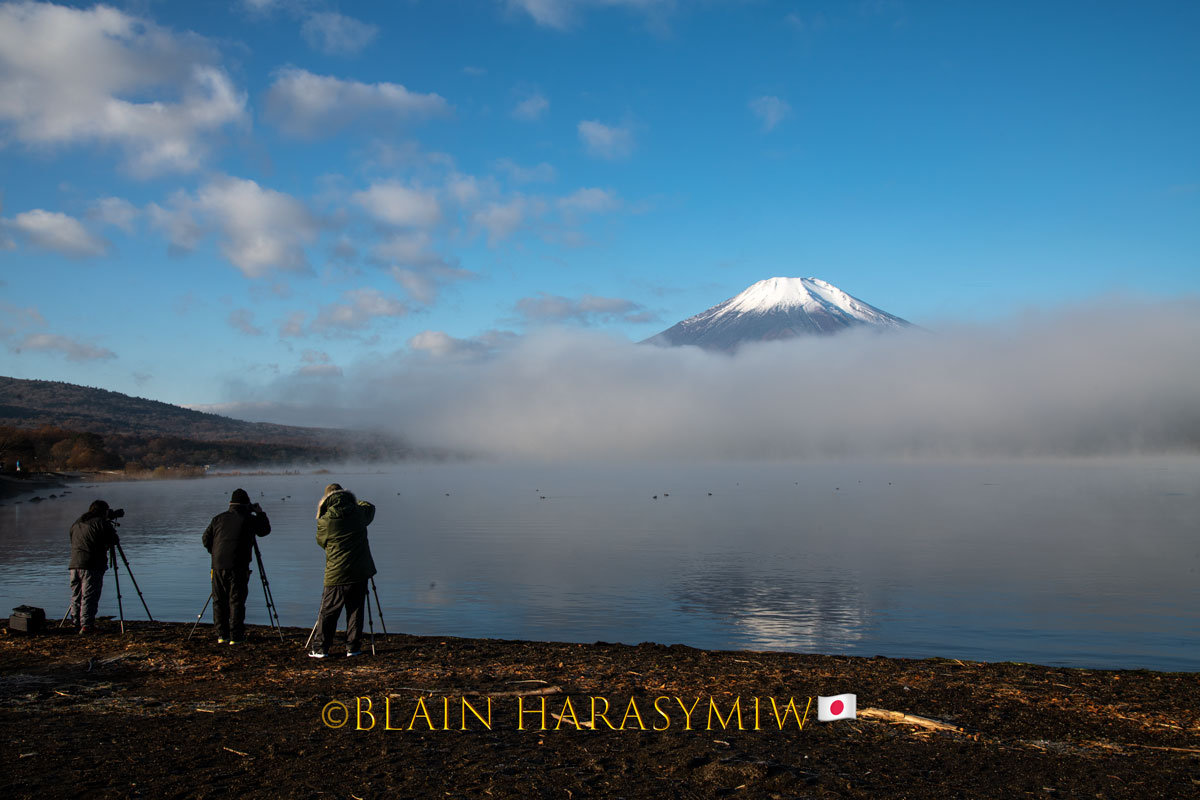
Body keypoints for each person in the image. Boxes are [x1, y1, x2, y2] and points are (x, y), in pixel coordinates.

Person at [310, 483, 377, 658]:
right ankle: (353, 647)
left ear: (326, 499)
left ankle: (321, 648)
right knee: (356, 610)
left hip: (336, 572)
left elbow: (321, 542)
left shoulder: (325, 520)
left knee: (329, 611)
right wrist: (353, 501)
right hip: (360, 571)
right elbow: (370, 507)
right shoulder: (359, 513)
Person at [202, 489, 271, 645]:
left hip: (218, 565)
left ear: (230, 503)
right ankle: (236, 636)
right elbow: (265, 531)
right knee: (236, 600)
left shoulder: (218, 519)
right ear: (246, 505)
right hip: (239, 566)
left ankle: (222, 635)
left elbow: (205, 539)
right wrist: (260, 513)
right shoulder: (249, 519)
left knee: (219, 600)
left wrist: (215, 552)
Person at [69, 499, 120, 633]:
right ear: (103, 511)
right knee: (89, 596)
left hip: (74, 564)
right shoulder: (101, 523)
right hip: (91, 565)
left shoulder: (78, 522)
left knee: (76, 595)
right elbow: (114, 540)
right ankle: (87, 625)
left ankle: (75, 623)